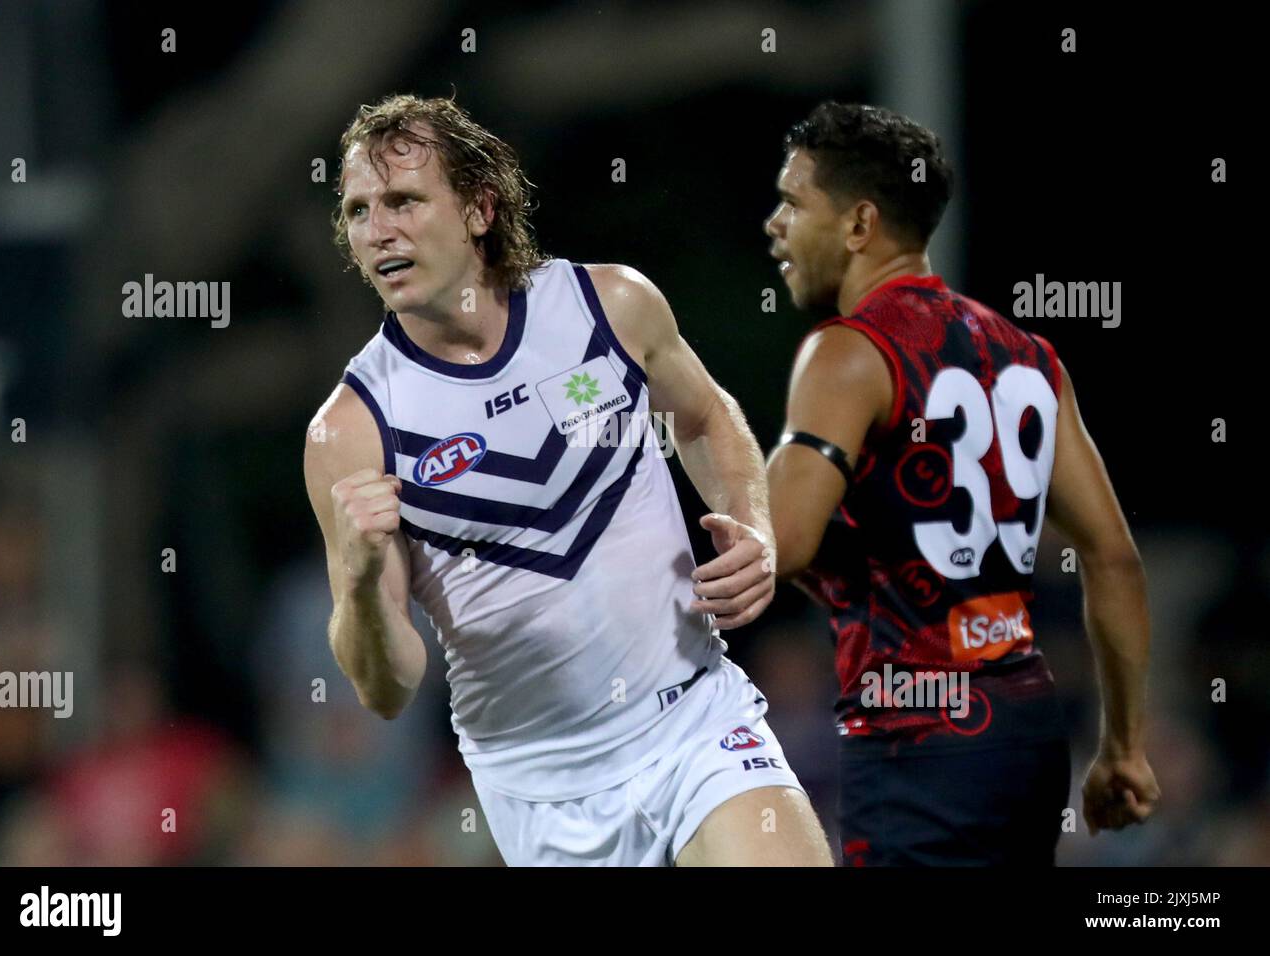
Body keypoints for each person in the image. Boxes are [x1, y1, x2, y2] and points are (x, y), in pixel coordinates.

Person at [302, 93, 831, 867]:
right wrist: (357, 579)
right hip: (542, 787)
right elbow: (388, 688)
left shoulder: (608, 304)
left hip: (694, 723)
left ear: (480, 209)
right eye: (357, 211)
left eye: (404, 200)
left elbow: (704, 417)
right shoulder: (350, 429)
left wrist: (750, 522)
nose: (377, 230)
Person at [763, 101, 1159, 865]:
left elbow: (778, 542)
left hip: (913, 727)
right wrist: (1123, 749)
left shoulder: (848, 353)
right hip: (1022, 724)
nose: (775, 224)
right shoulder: (1031, 356)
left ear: (858, 225)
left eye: (792, 202)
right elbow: (1114, 558)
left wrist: (696, 434)